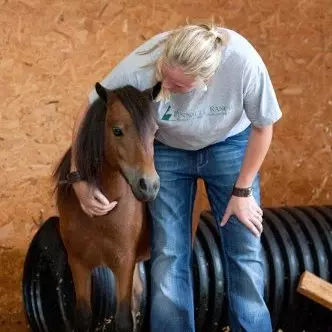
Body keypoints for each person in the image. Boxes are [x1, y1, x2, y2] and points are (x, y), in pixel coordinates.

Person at [69, 23, 282, 332]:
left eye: (178, 84)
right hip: (168, 150)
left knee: (245, 248)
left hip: (230, 145)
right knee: (168, 252)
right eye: (163, 74)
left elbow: (263, 127)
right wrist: (78, 177)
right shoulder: (145, 62)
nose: (164, 84)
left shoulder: (243, 64)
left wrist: (243, 191)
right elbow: (88, 109)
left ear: (207, 79)